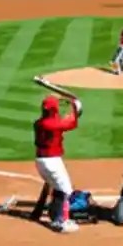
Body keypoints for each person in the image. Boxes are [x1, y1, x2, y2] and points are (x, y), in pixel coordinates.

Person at [34, 94, 83, 233]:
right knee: (66, 189)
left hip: (40, 161)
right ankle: (62, 222)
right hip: (52, 162)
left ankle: (54, 214)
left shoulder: (39, 122)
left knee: (57, 187)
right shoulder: (52, 124)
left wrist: (74, 109)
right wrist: (76, 108)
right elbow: (72, 123)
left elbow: (60, 121)